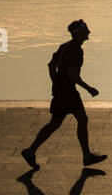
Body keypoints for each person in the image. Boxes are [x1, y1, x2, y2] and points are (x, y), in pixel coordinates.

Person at [21, 20, 106, 169]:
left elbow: (51, 65)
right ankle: (86, 156)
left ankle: (31, 151)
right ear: (79, 33)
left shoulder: (64, 46)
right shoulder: (76, 50)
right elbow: (72, 75)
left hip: (61, 91)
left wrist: (55, 82)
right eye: (86, 30)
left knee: (56, 123)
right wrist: (89, 88)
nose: (89, 32)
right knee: (81, 119)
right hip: (68, 92)